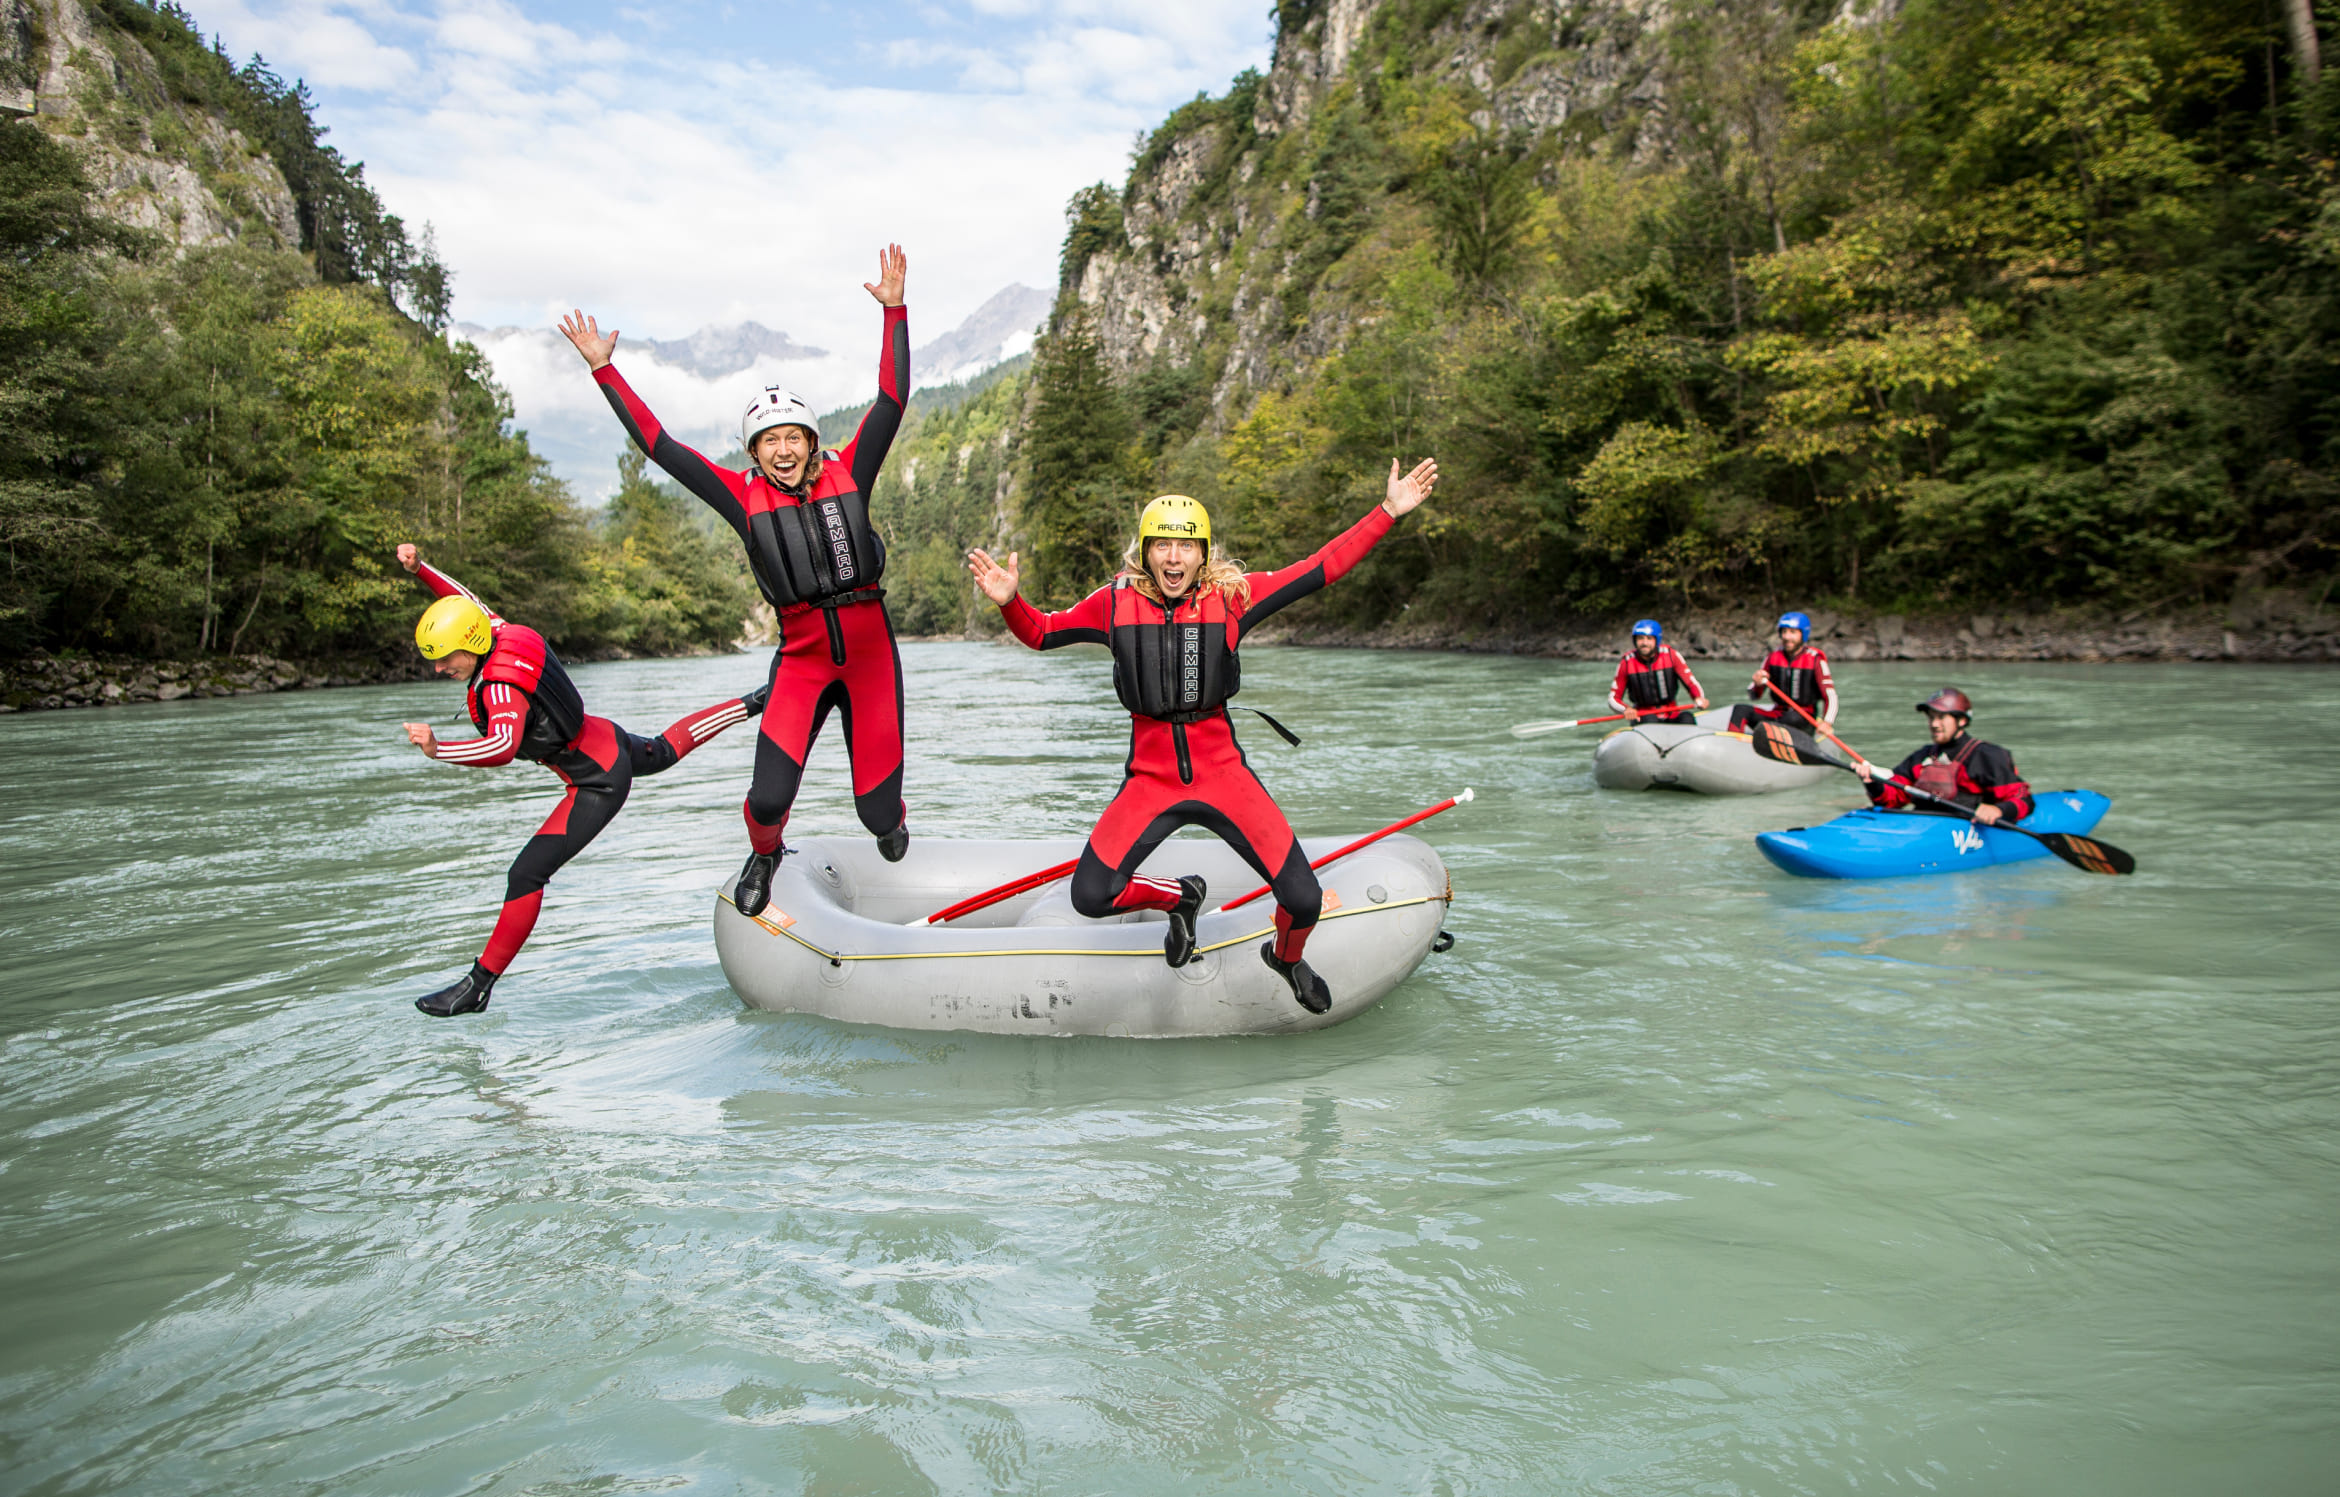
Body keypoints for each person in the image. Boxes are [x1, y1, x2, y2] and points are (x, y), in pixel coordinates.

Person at [965, 460, 1438, 1015]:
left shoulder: (1233, 599)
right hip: (1150, 780)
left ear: (1203, 553)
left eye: (1186, 547)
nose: (1173, 558)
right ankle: (1181, 898)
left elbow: (1320, 568)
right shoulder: (1113, 604)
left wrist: (1386, 512)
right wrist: (1009, 603)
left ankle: (1286, 959)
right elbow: (1043, 632)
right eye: (1162, 545)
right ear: (1145, 552)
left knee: (1304, 900)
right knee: (1090, 895)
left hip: (1223, 775)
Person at [559, 245, 912, 920]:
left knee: (877, 816)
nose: (784, 450)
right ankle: (767, 851)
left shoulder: (851, 475)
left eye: (794, 438)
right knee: (766, 799)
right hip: (803, 659)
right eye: (769, 441)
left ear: (811, 442)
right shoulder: (738, 497)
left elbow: (892, 399)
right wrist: (607, 371)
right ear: (754, 453)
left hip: (870, 658)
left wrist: (894, 310)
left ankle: (891, 816)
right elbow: (660, 445)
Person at [396, 545, 767, 1017]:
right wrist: (421, 570)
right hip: (601, 735)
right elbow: (462, 599)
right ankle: (756, 700)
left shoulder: (501, 687)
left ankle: (478, 987)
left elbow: (502, 746)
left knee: (526, 874)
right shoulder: (495, 630)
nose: (438, 668)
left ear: (469, 645)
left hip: (597, 781)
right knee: (661, 751)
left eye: (444, 657)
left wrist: (437, 750)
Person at [1855, 687, 2034, 824]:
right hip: (1925, 826)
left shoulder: (1986, 756)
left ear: (1961, 720)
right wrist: (1873, 783)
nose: (1934, 724)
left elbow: (2023, 799)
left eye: (1941, 717)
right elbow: (1893, 799)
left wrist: (1999, 810)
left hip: (1964, 827)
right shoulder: (1921, 757)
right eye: (1931, 717)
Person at [1729, 610, 1838, 731]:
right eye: (1784, 632)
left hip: (1804, 718)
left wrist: (1827, 722)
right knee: (1740, 709)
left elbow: (1830, 696)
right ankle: (1734, 743)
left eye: (1792, 632)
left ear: (1803, 634)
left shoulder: (1815, 659)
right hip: (1778, 715)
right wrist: (1757, 684)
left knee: (1791, 718)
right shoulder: (1772, 657)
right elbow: (1754, 696)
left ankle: (1770, 735)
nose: (1786, 637)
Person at [1607, 618, 1708, 725]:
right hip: (1643, 716)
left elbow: (1691, 683)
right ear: (1635, 640)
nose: (1644, 643)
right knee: (1650, 720)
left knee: (1687, 718)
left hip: (1671, 713)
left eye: (1649, 638)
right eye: (1640, 638)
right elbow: (1613, 698)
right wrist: (1626, 709)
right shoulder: (1627, 662)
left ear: (1657, 640)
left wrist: (1698, 698)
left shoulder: (1671, 655)